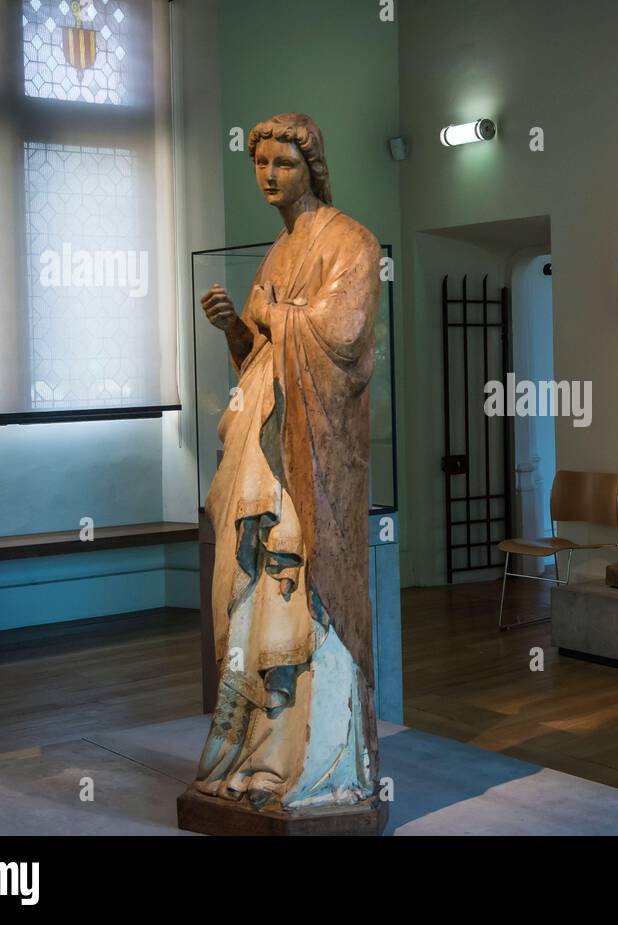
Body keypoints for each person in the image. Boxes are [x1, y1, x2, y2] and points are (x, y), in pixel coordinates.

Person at [193, 113, 382, 810]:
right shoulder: (277, 252)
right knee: (255, 580)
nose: (268, 176)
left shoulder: (352, 241)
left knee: (294, 570)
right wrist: (236, 326)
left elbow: (345, 337)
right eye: (260, 163)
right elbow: (259, 358)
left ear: (313, 167)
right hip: (262, 437)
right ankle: (256, 744)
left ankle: (317, 756)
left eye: (283, 163)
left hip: (314, 453)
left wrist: (276, 318)